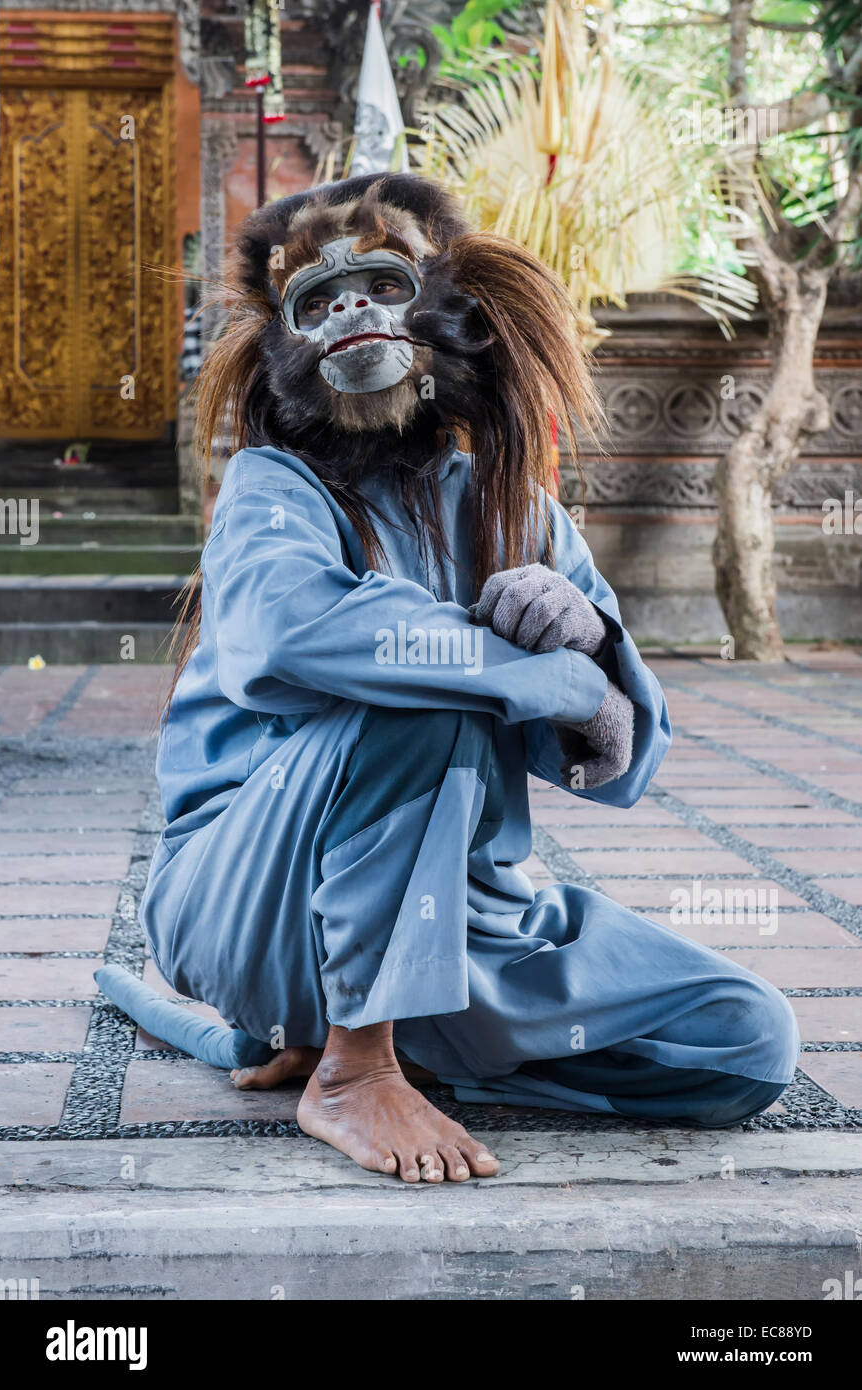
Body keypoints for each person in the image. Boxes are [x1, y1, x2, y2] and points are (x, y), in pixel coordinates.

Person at [97, 173, 799, 1184]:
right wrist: (541, 675)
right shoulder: (271, 490)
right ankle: (352, 1065)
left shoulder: (518, 514)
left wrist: (593, 643)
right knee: (424, 700)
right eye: (315, 301)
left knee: (744, 1040)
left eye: (377, 285)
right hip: (252, 901)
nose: (346, 309)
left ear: (448, 321)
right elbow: (298, 634)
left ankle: (398, 1037)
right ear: (287, 353)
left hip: (461, 929)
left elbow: (626, 761)